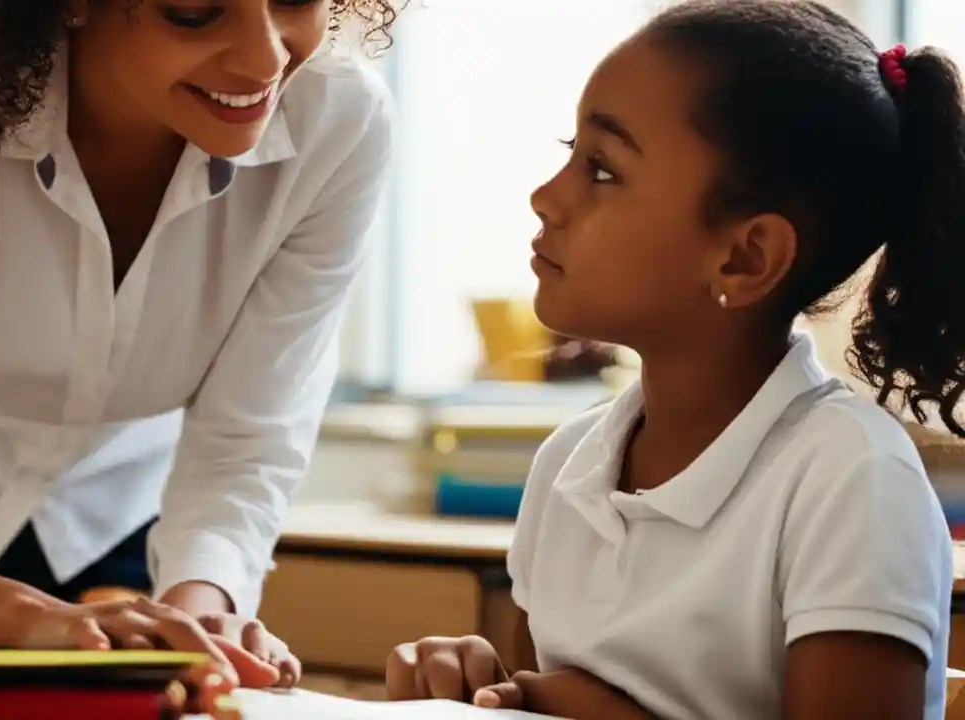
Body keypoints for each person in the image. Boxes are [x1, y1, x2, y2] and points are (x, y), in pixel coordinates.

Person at [0, 0, 400, 687]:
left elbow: (247, 449)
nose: (267, 60)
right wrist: (41, 623)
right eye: (195, 12)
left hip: (131, 534)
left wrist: (199, 624)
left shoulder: (341, 119)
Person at [386, 1, 965, 717]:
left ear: (745, 257)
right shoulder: (568, 467)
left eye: (601, 169)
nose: (545, 197)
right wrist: (477, 679)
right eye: (571, 151)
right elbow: (548, 698)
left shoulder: (851, 481)